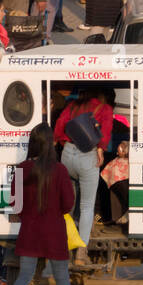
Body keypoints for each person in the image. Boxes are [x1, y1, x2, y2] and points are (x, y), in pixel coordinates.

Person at [1, 123, 89, 285]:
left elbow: (15, 203)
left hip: (29, 231)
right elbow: (68, 204)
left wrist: (29, 216)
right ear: (50, 145)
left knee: (24, 275)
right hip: (54, 232)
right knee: (61, 276)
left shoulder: (21, 169)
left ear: (32, 144)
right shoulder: (60, 171)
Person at [53, 90, 114, 263]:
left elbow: (59, 126)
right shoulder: (105, 109)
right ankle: (81, 251)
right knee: (87, 207)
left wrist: (56, 143)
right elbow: (106, 132)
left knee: (66, 205)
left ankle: (62, 246)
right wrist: (101, 150)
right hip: (88, 156)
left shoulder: (72, 106)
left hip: (67, 154)